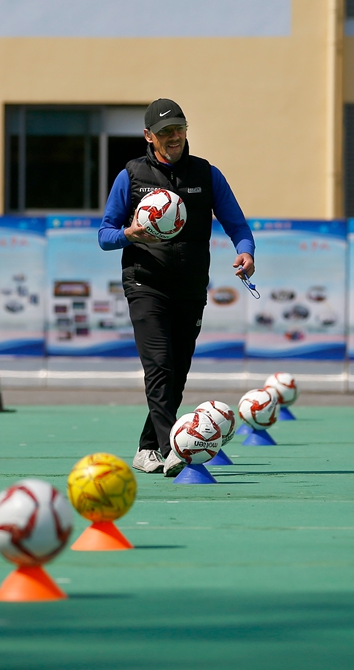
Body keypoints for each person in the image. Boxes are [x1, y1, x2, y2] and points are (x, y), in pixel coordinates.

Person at [98, 98, 255, 476]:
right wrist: (129, 234)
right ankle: (175, 448)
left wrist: (246, 252)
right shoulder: (131, 176)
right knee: (160, 366)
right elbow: (105, 235)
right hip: (145, 283)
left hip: (190, 287)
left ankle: (147, 448)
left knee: (177, 373)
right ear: (148, 136)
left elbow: (237, 225)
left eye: (179, 129)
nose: (174, 137)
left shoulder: (207, 174)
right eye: (165, 131)